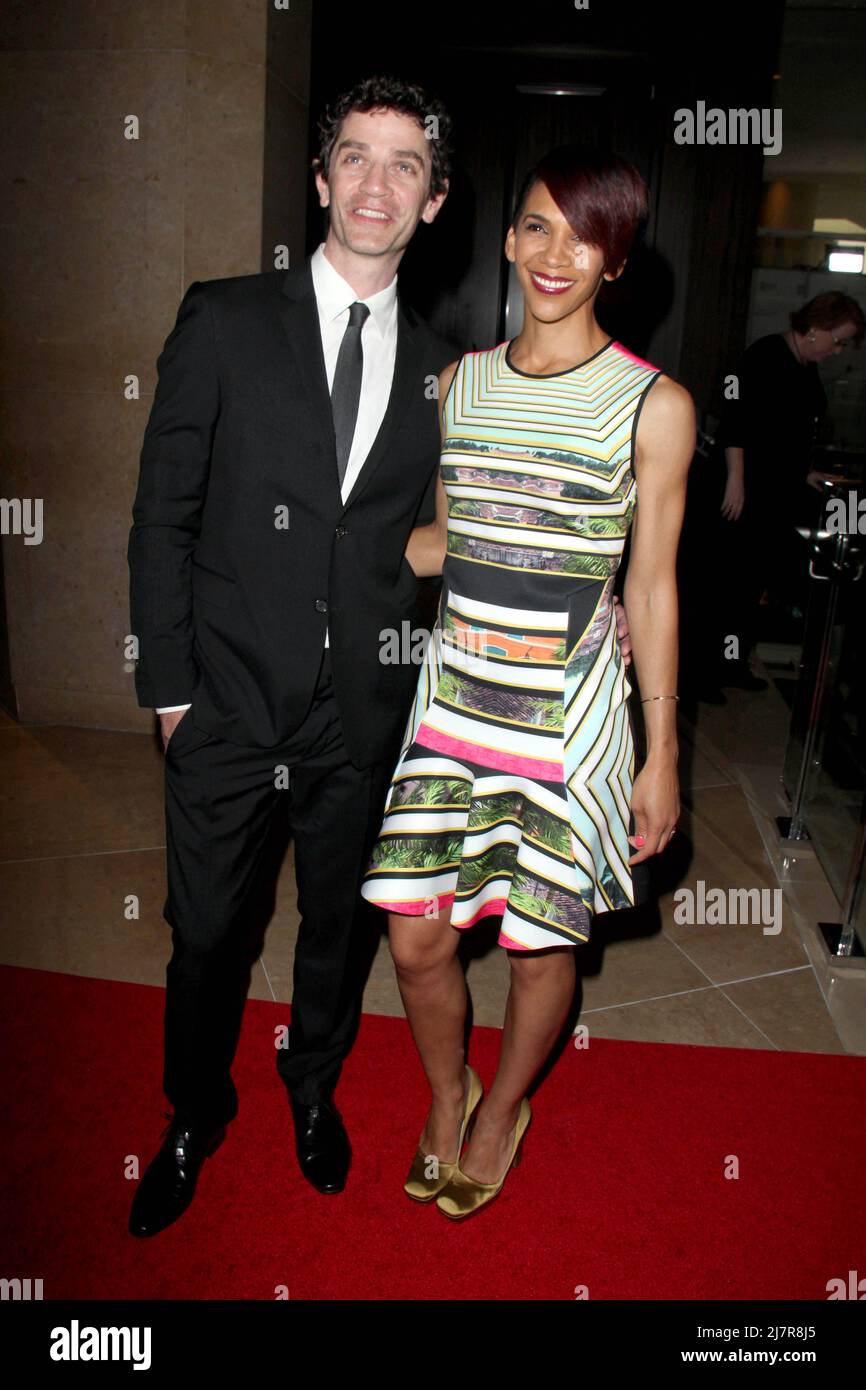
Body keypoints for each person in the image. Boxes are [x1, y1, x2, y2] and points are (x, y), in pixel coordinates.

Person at [360, 147, 695, 1219]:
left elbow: (648, 588)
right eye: (539, 227)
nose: (558, 254)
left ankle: (501, 1106)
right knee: (415, 936)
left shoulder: (654, 405)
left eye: (585, 237)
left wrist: (662, 753)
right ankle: (444, 1086)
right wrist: (316, 548)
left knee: (540, 941)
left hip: (567, 714)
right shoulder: (459, 383)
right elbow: (445, 544)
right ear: (509, 239)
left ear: (615, 262)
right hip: (452, 701)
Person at [715, 293, 864, 690]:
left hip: (776, 491)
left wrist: (804, 472)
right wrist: (736, 478)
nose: (837, 350)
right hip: (751, 491)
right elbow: (736, 417)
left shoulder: (804, 365)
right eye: (837, 340)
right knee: (739, 583)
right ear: (814, 329)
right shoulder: (765, 355)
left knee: (754, 583)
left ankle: (735, 662)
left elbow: (785, 435)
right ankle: (721, 664)